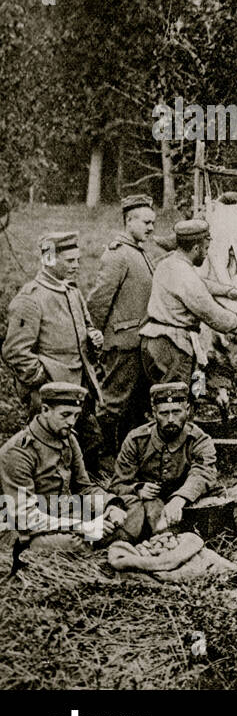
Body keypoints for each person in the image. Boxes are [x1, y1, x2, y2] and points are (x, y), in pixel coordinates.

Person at [3, 231, 107, 473]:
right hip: (50, 396)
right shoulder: (31, 299)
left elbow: (88, 327)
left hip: (80, 388)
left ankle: (87, 494)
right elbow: (14, 352)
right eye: (69, 261)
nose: (76, 266)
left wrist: (94, 338)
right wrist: (44, 383)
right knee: (50, 452)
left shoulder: (72, 292)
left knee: (90, 442)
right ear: (49, 259)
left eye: (77, 259)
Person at [109, 383, 237, 542]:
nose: (171, 419)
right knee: (153, 512)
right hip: (153, 506)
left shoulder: (199, 439)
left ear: (187, 409)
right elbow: (117, 484)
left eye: (176, 412)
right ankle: (168, 543)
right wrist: (137, 489)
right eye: (164, 413)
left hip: (192, 501)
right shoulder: (136, 440)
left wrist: (180, 499)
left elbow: (203, 473)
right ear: (154, 413)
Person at [0, 382, 126, 550]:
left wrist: (111, 505)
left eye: (76, 415)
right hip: (20, 526)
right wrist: (80, 526)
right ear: (45, 410)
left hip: (62, 514)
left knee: (125, 518)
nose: (71, 422)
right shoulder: (18, 451)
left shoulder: (67, 437)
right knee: (73, 542)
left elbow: (84, 488)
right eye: (65, 415)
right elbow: (26, 517)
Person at [139, 219, 237, 388]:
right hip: (173, 346)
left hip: (152, 341)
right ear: (196, 248)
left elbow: (199, 283)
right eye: (206, 249)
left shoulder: (168, 264)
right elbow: (212, 314)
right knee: (176, 401)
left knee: (161, 399)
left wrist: (227, 291)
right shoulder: (186, 276)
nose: (207, 254)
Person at [88, 194, 158, 449]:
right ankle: (95, 457)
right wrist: (92, 337)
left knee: (135, 407)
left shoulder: (138, 251)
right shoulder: (118, 254)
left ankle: (124, 457)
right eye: (145, 222)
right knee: (111, 405)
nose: (151, 228)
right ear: (129, 221)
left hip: (138, 344)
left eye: (153, 223)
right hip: (121, 345)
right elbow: (99, 301)